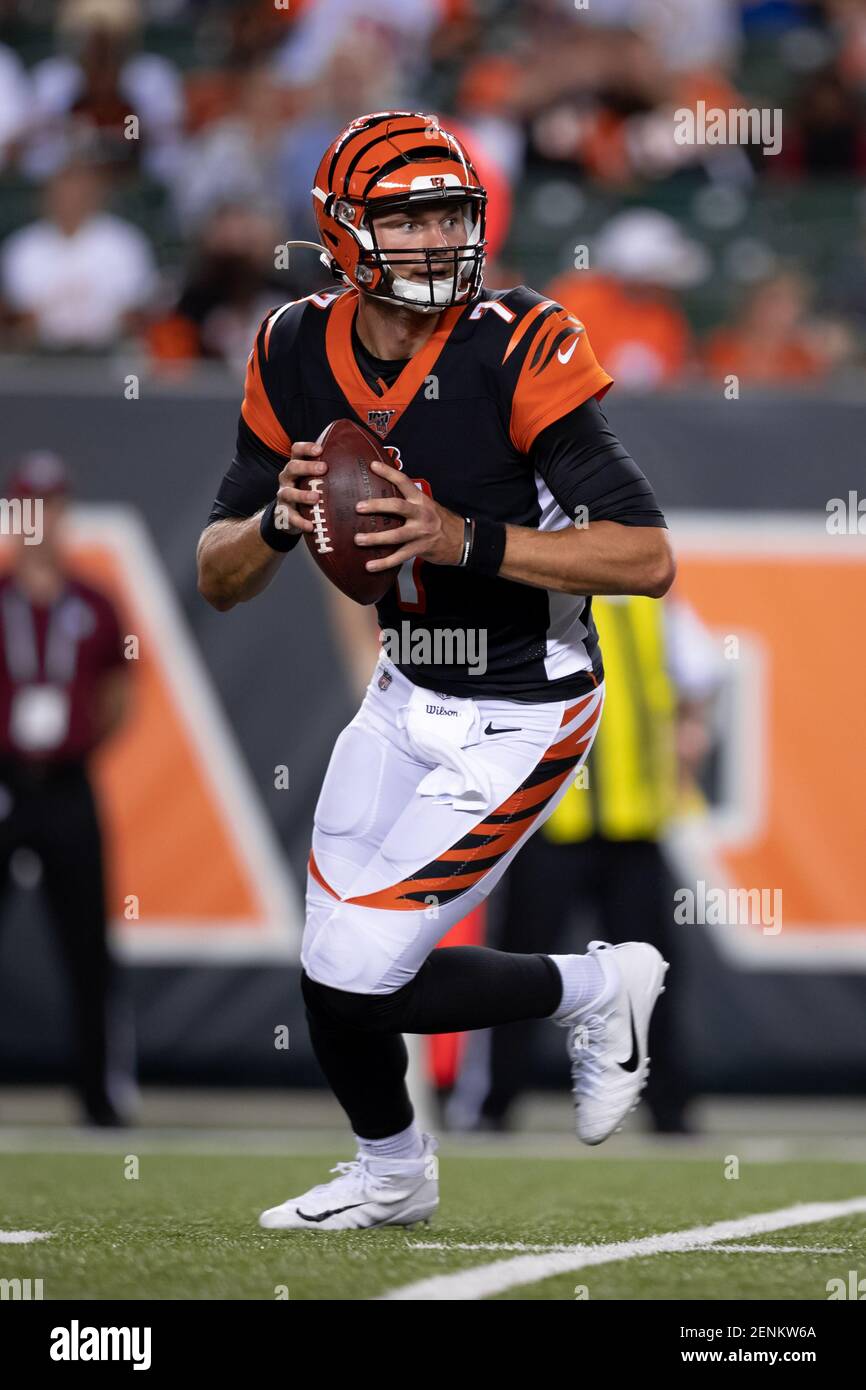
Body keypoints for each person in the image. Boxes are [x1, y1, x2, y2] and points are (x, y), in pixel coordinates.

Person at [197, 111, 676, 1231]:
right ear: (343, 232)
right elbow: (218, 577)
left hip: (525, 706)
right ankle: (394, 1173)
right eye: (407, 217)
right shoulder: (289, 349)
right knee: (330, 968)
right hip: (404, 693)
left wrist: (466, 539)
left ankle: (602, 985)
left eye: (450, 214)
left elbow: (645, 556)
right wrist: (275, 519)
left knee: (360, 968)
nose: (435, 239)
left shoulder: (516, 343)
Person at [0, 452, 134, 1126]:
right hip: (3, 778)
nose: (42, 521)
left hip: (68, 783)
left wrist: (75, 744)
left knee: (88, 944)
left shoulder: (96, 604)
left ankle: (99, 1093)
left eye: (53, 506)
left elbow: (117, 694)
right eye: (31, 506)